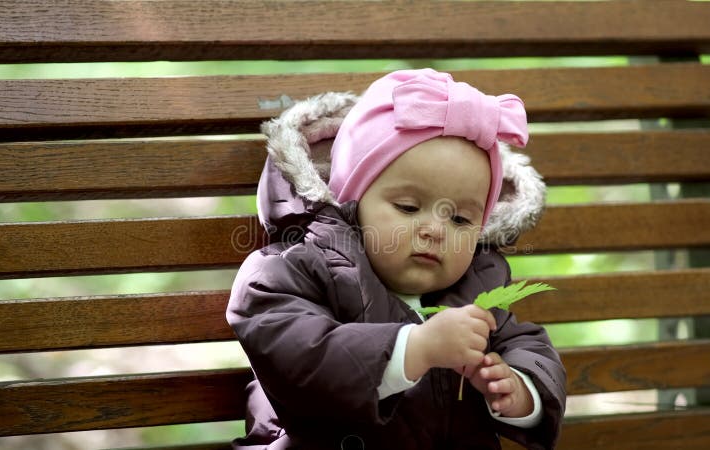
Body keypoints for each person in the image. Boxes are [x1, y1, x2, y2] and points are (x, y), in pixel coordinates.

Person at [226, 68, 566, 450]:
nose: (435, 230)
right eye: (407, 207)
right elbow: (297, 356)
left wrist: (519, 390)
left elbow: (527, 344)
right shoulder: (292, 272)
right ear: (349, 201)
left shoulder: (477, 290)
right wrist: (413, 348)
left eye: (459, 219)